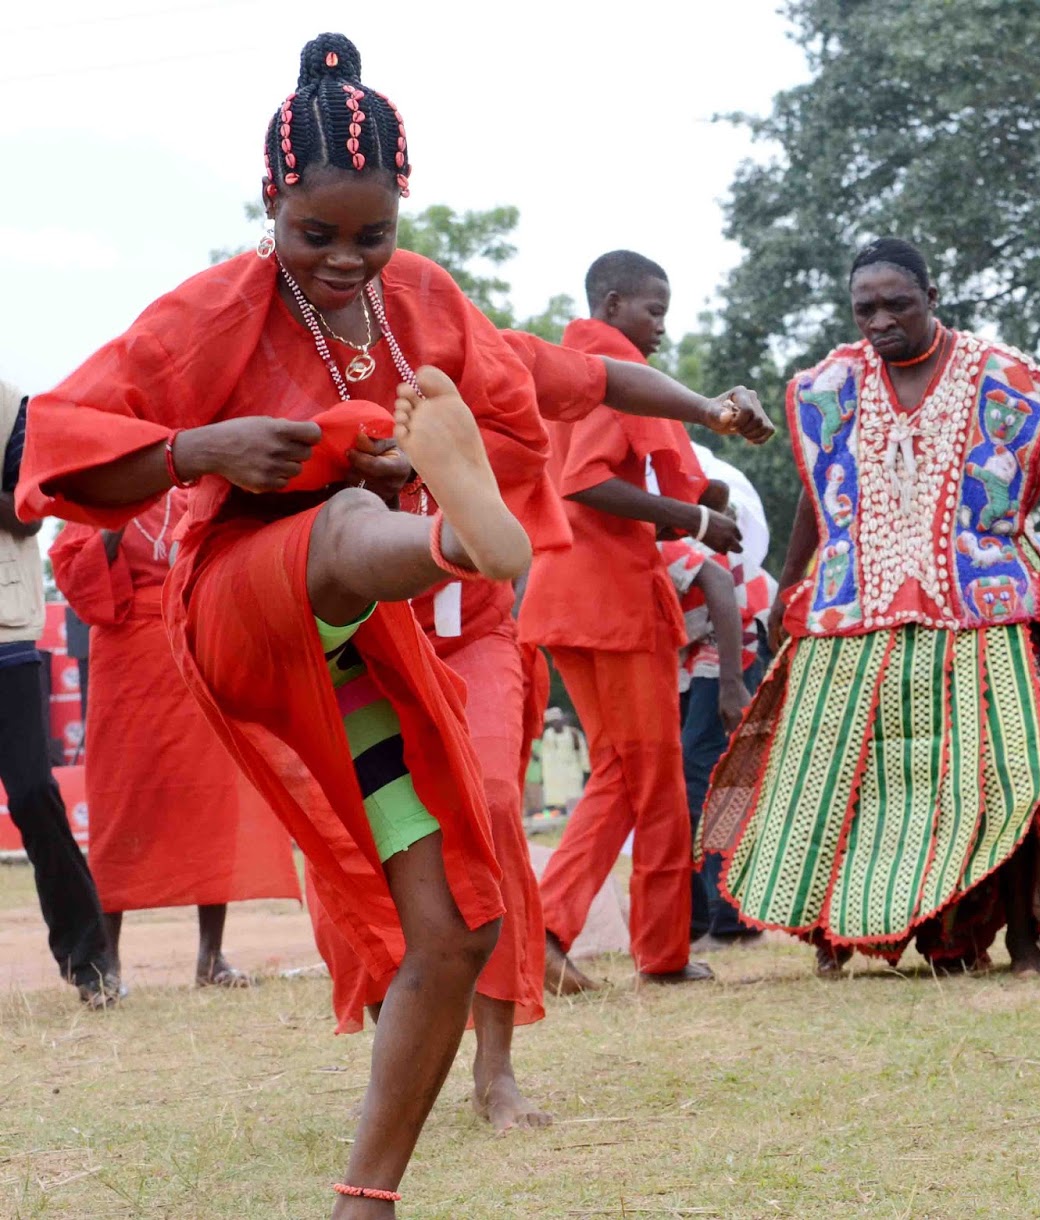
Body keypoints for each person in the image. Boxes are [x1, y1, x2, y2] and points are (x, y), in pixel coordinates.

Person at [15, 34, 587, 1211]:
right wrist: (195, 448)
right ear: (270, 203)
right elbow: (52, 443)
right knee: (338, 513)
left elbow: (520, 425)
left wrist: (409, 460)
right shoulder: (211, 309)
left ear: (400, 212)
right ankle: (456, 540)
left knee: (457, 923)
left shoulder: (425, 297)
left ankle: (362, 1200)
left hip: (359, 646)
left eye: (368, 233)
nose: (342, 257)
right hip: (232, 598)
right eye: (313, 231)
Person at [305, 260, 771, 1131]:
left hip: (482, 627)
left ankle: (497, 1069)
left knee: (488, 808)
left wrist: (706, 411)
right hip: (366, 637)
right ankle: (399, 1032)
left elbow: (601, 376)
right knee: (357, 836)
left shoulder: (481, 351)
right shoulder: (296, 358)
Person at [700, 237, 1040, 978]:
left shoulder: (996, 375)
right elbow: (819, 500)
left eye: (898, 304)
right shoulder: (830, 386)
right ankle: (834, 937)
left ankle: (1020, 941)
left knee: (1005, 777)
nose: (880, 320)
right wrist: (791, 588)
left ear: (933, 296)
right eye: (866, 309)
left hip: (981, 604)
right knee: (836, 780)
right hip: (853, 609)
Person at [524, 251, 736, 993]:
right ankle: (656, 952)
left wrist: (702, 503)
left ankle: (552, 932)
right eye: (653, 312)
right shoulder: (606, 372)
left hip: (564, 593)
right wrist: (693, 517)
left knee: (619, 773)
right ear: (612, 306)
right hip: (609, 601)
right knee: (654, 781)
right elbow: (586, 483)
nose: (659, 333)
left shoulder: (565, 368)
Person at [51, 497, 302, 989]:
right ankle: (108, 964)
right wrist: (115, 519)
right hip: (126, 657)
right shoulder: (104, 493)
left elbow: (230, 560)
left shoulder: (198, 491)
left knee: (211, 800)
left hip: (195, 644)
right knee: (121, 806)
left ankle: (211, 959)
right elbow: (79, 581)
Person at [1, 380, 116, 1008]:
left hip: (5, 628)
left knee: (34, 793)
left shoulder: (13, 407)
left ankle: (91, 961)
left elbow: (29, 507)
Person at [660, 534, 758, 947]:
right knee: (684, 782)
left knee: (707, 776)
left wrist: (731, 683)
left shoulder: (655, 545)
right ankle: (696, 917)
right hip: (690, 656)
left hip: (729, 648)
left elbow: (718, 582)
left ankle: (733, 917)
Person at [539, 708, 589, 813]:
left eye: (556, 721)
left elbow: (583, 753)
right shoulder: (548, 735)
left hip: (572, 773)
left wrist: (587, 767)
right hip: (555, 776)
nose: (555, 724)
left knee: (574, 803)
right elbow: (545, 757)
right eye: (552, 722)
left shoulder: (574, 733)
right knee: (557, 804)